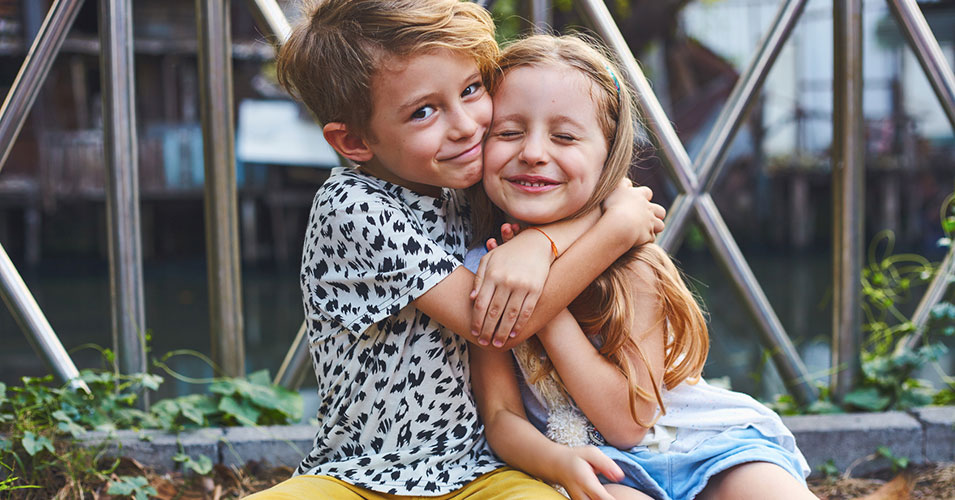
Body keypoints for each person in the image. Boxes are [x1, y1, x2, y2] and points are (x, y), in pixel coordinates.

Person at [245, 1, 666, 498]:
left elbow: (591, 189)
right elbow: (491, 319)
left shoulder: (462, 186)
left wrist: (546, 237)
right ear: (354, 140)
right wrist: (615, 229)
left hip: (481, 470)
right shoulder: (351, 207)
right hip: (360, 474)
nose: (467, 125)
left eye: (471, 90)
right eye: (424, 111)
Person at [466, 34, 815, 500]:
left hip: (702, 445)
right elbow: (501, 417)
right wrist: (557, 461)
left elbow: (630, 422)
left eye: (565, 136)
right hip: (592, 466)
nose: (532, 151)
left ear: (608, 156)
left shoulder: (630, 262)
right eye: (508, 132)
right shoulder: (478, 270)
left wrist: (546, 297)